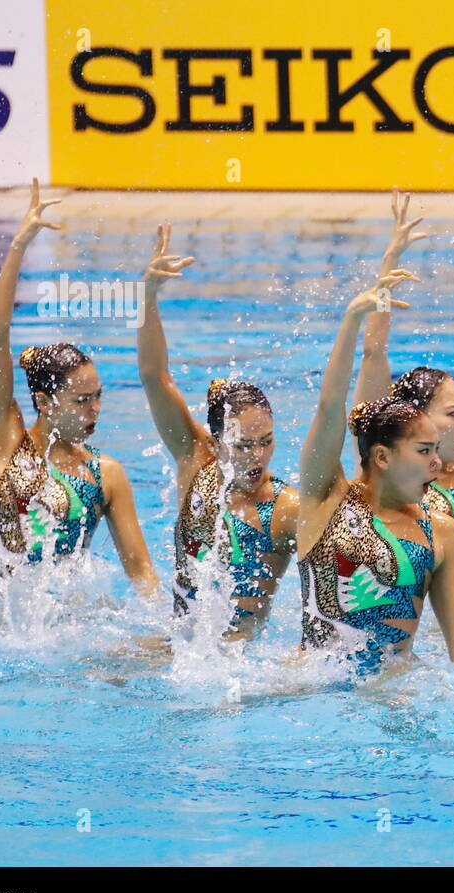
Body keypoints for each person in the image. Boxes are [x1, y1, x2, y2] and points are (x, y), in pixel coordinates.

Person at [296, 271, 454, 674]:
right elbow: (330, 408)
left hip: (395, 693)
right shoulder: (326, 500)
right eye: (423, 451)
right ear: (382, 457)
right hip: (311, 692)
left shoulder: (443, 532)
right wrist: (351, 322)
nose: (437, 462)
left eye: (436, 450)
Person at [0, 180, 158, 595]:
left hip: (72, 628)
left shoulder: (106, 475)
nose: (95, 409)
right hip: (0, 624)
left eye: (98, 397)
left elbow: (143, 575)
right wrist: (20, 246)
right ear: (43, 401)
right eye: (81, 400)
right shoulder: (4, 444)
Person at [136, 224, 297, 638]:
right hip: (180, 648)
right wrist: (147, 297)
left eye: (266, 443)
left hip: (241, 661)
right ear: (214, 442)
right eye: (243, 445)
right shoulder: (195, 462)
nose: (258, 456)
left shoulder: (285, 508)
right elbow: (155, 378)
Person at [352, 190, 454, 542]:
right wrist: (389, 263)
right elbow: (373, 353)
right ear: (416, 419)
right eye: (453, 413)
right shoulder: (380, 468)